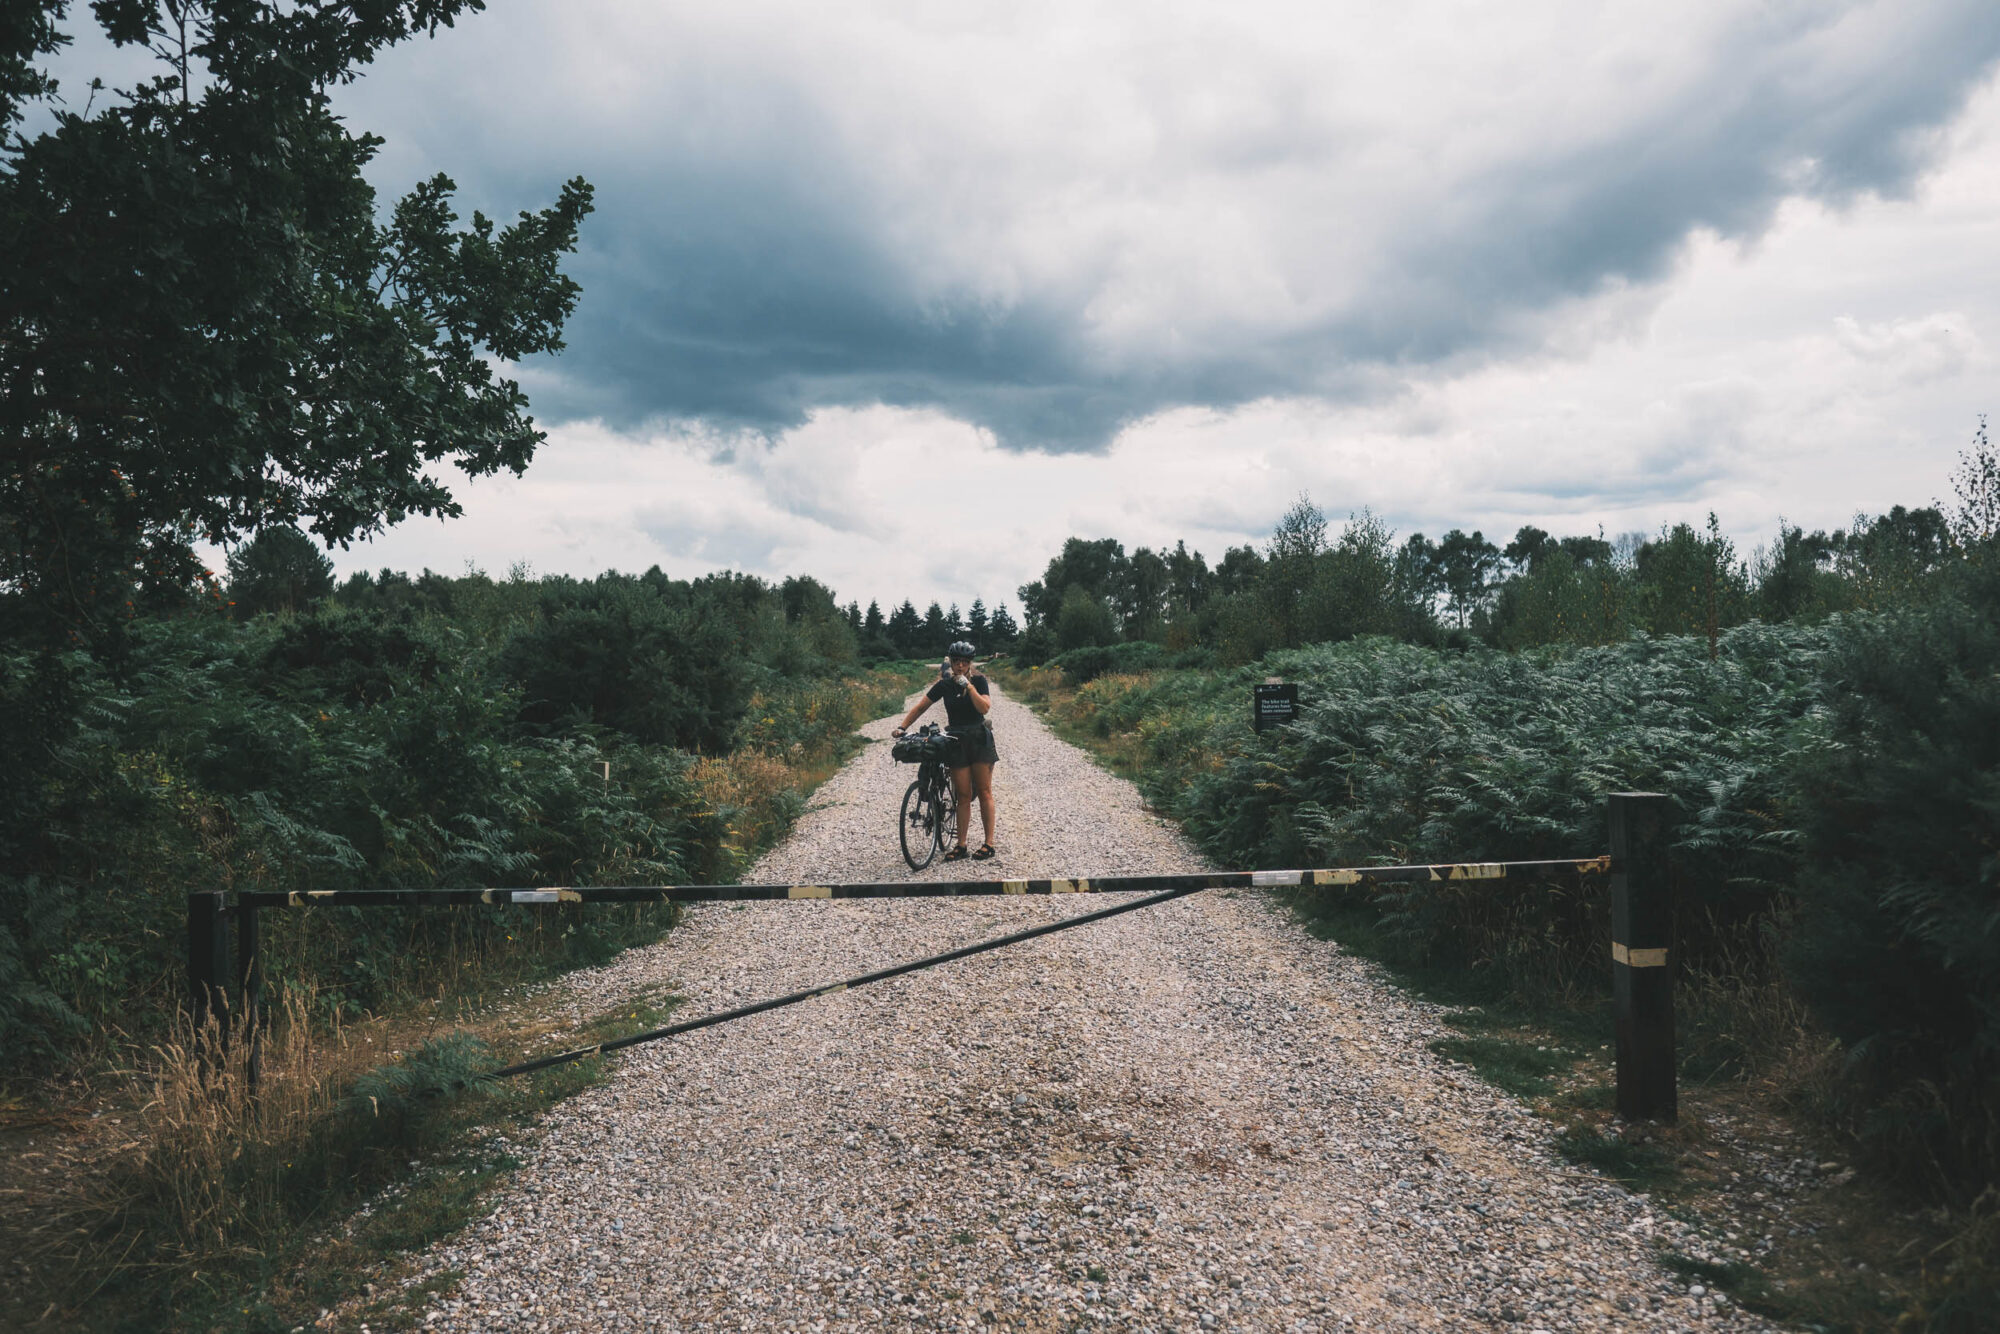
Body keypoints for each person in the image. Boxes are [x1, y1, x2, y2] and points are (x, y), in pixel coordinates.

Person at [891, 640, 998, 861]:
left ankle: (989, 843)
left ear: (970, 663)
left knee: (984, 791)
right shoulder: (945, 685)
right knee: (963, 795)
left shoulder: (979, 681)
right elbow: (921, 706)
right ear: (951, 661)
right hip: (956, 740)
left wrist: (969, 687)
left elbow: (984, 707)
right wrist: (902, 727)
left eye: (965, 662)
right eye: (956, 661)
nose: (960, 666)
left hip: (979, 739)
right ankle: (961, 845)